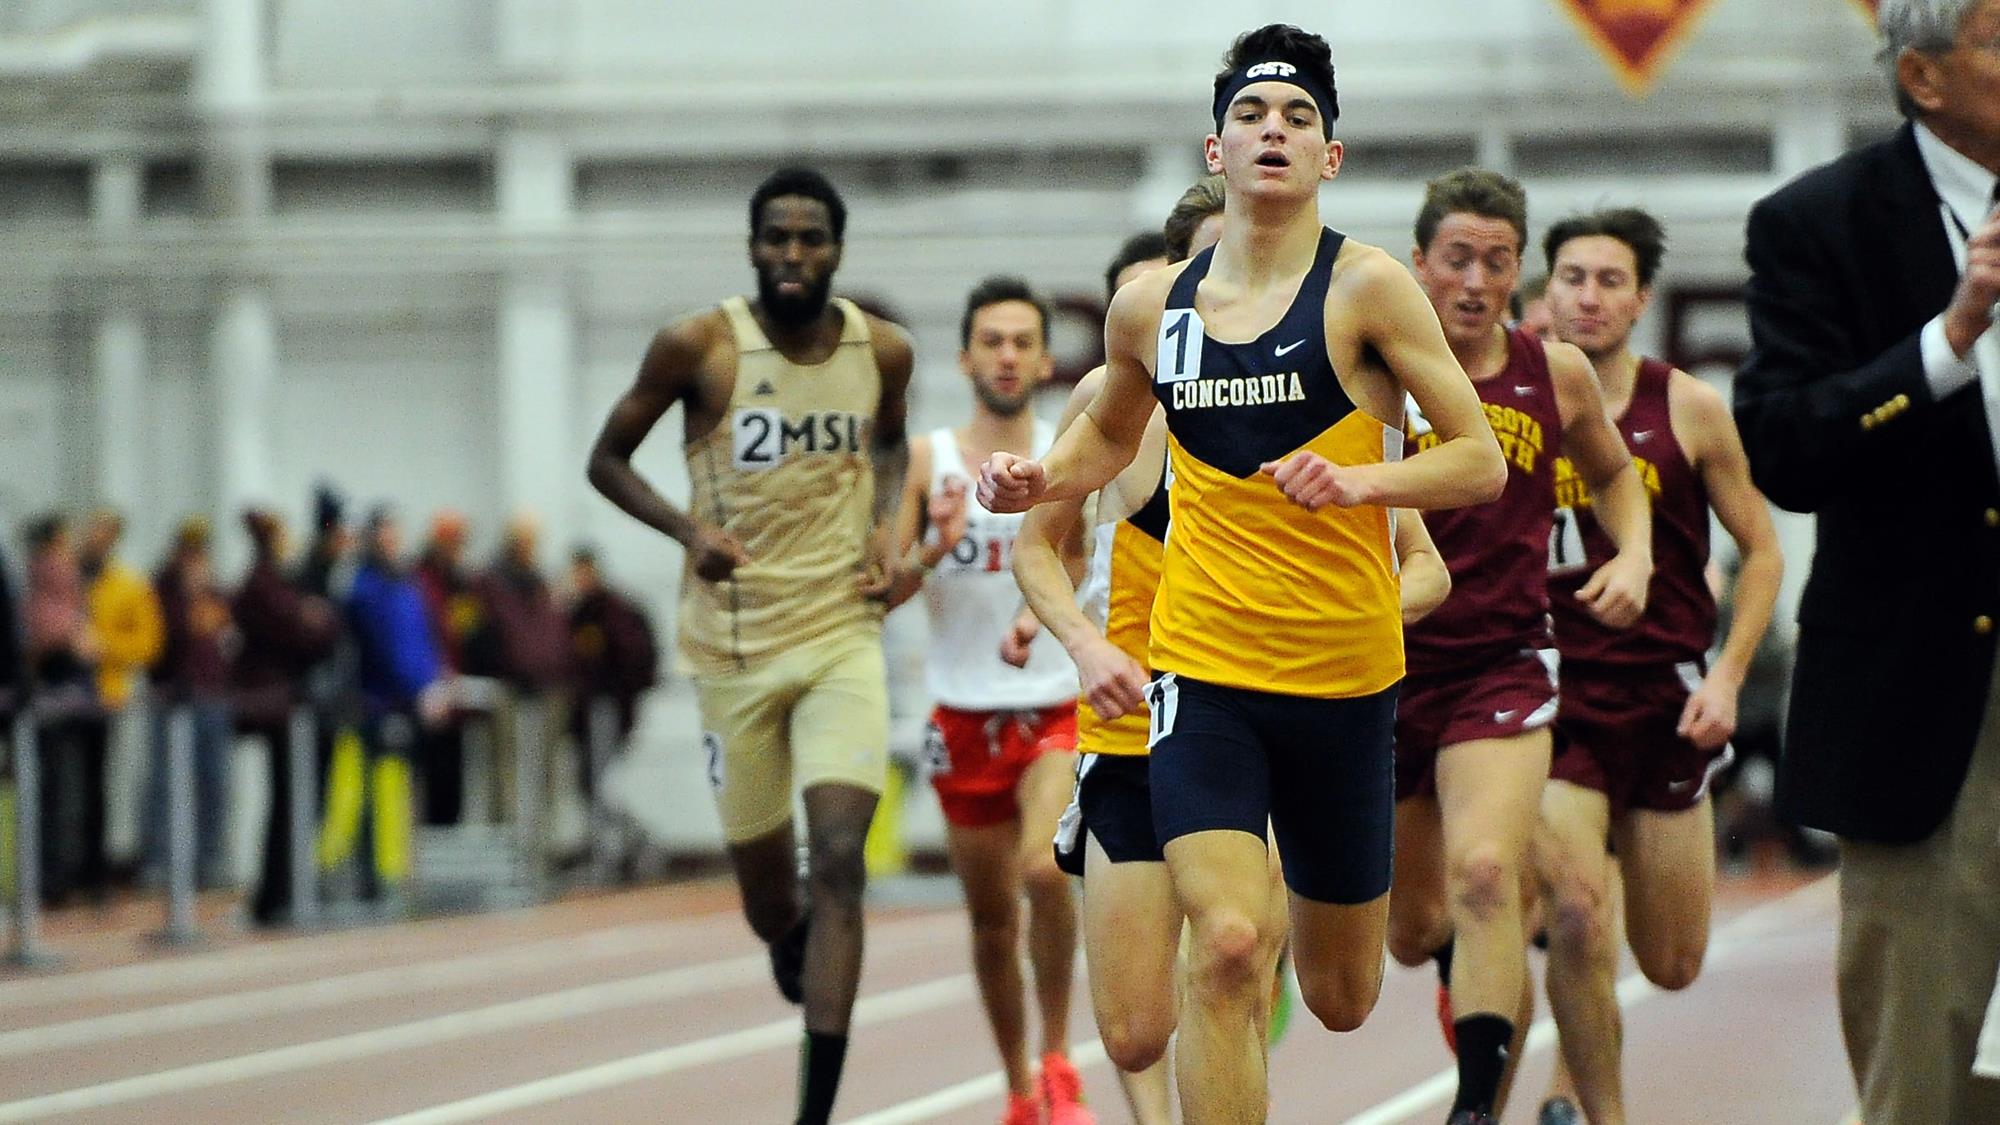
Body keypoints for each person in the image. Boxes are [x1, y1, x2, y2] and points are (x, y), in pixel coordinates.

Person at [982, 25, 1507, 1122]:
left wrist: (1364, 487)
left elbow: (1478, 461)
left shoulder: (1366, 290)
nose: (1274, 131)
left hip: (1344, 685)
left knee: (1343, 992)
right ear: (1214, 153)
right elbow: (1104, 446)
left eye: (1299, 118)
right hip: (1203, 674)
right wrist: (1036, 476)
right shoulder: (1151, 307)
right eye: (1252, 117)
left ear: (1330, 157)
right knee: (1222, 945)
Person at [585, 166, 915, 1125]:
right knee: (774, 905)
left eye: (811, 239)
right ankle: (789, 934)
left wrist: (884, 533)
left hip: (840, 634)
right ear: (752, 246)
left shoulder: (881, 350)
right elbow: (606, 460)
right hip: (733, 653)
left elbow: (889, 445)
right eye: (776, 238)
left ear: (837, 251)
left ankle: (813, 1112)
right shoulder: (699, 345)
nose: (792, 256)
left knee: (844, 858)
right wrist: (691, 535)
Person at [1734, 2, 2000, 1119]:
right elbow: (1786, 444)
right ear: (1922, 77)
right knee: (1924, 1040)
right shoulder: (1818, 221)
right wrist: (1948, 337)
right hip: (1926, 685)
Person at [1388, 168, 1651, 1125]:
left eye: (1497, 262)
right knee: (1414, 928)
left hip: (1502, 658)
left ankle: (1473, 1106)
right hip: (1382, 662)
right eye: (1456, 258)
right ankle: (1466, 967)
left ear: (1517, 274)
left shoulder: (1556, 371)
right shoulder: (1372, 364)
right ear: (1420, 265)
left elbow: (1616, 477)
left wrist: (1638, 554)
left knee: (1490, 873)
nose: (1474, 280)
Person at [1532, 206, 1783, 1125]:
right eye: (1571, 277)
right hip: (1551, 694)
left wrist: (1726, 678)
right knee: (1575, 910)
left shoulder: (1687, 407)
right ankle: (1600, 1113)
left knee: (1672, 961)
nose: (1587, 296)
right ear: (1546, 288)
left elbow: (1762, 551)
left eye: (1608, 281)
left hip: (1667, 695)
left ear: (1640, 299)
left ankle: (1573, 1061)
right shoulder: (1510, 401)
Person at [882, 276, 1094, 1125]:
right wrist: (932, 547)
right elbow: (883, 592)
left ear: (1045, 360)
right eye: (992, 341)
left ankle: (1056, 1057)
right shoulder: (927, 460)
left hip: (1049, 699)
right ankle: (1016, 1085)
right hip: (958, 713)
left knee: (1046, 868)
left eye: (1022, 341)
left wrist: (1029, 617)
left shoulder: (1064, 447)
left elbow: (1077, 557)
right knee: (989, 917)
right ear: (966, 356)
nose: (1007, 355)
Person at [234, 509, 338, 925]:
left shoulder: (275, 581)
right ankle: (276, 895)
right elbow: (305, 630)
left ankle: (286, 890)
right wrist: (315, 619)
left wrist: (317, 619)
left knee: (295, 802)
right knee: (288, 803)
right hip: (280, 708)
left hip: (289, 707)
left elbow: (318, 625)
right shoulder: (264, 584)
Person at [146, 518, 238, 890]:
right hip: (173, 700)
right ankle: (161, 862)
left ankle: (209, 860)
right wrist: (187, 604)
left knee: (214, 783)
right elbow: (162, 647)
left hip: (214, 697)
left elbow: (230, 640)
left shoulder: (217, 594)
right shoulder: (162, 592)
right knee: (166, 784)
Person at [21, 514, 107, 906]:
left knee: (69, 793)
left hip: (77, 701)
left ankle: (67, 876)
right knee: (57, 793)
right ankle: (52, 879)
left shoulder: (59, 587)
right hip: (58, 703)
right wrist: (73, 638)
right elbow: (44, 641)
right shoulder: (45, 585)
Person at [565, 545, 659, 875]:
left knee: (597, 782)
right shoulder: (577, 612)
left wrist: (621, 698)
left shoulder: (612, 611)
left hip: (607, 710)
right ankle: (627, 843)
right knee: (591, 784)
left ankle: (615, 851)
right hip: (586, 714)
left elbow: (633, 660)